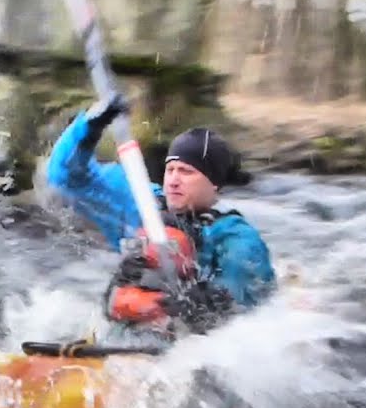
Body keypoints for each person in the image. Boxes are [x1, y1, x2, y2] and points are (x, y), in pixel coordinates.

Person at [44, 93, 276, 337]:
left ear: (214, 184)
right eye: (170, 169)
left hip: (194, 344)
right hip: (131, 331)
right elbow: (65, 177)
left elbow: (247, 299)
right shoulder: (143, 202)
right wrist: (90, 126)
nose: (174, 180)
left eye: (186, 172)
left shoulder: (236, 237)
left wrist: (203, 303)